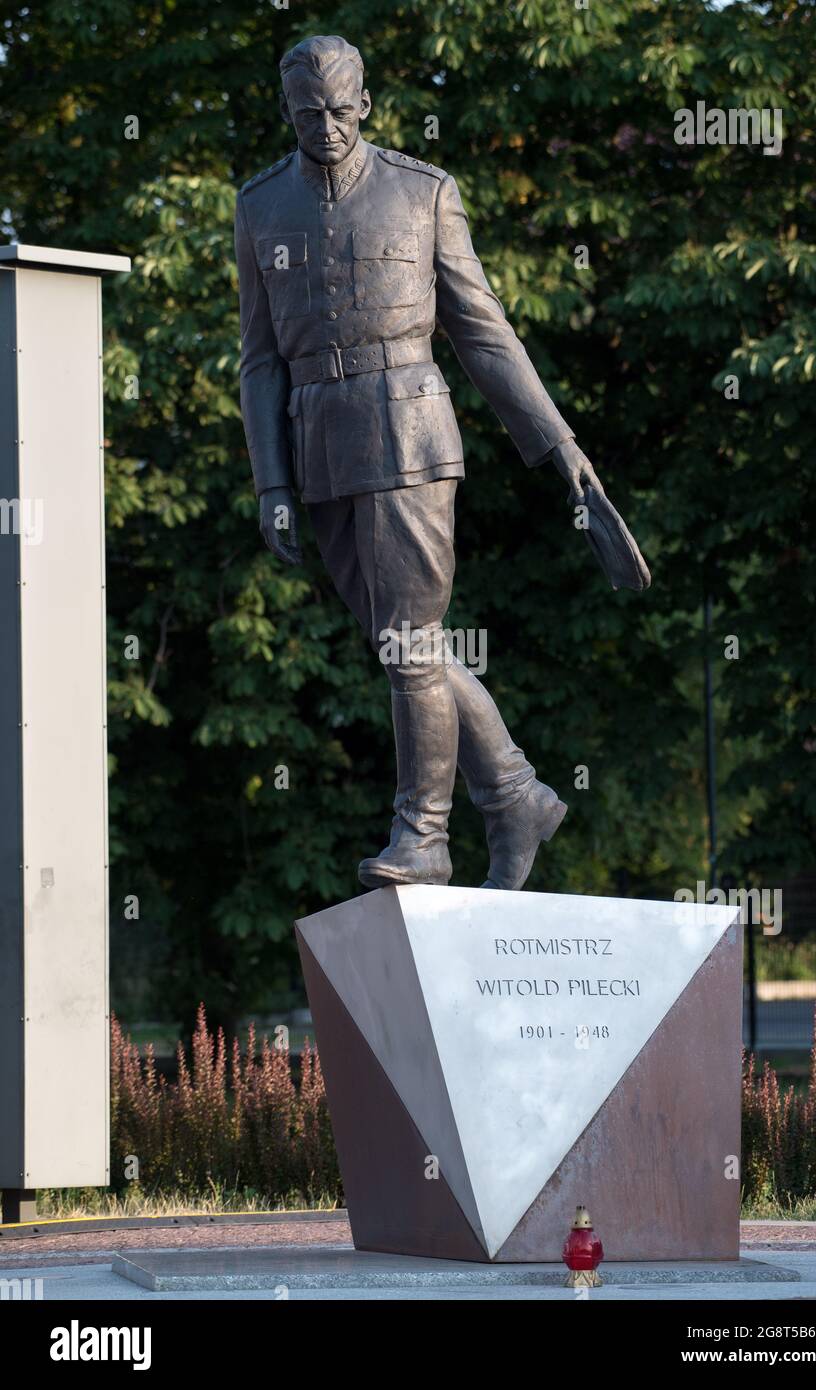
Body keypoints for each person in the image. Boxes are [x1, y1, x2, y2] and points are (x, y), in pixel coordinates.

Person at [235, 35, 604, 891]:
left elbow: (482, 331)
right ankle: (513, 793)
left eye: (339, 110)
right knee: (411, 646)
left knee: (409, 646)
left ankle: (423, 839)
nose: (325, 128)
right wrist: (272, 482)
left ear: (364, 104)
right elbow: (259, 360)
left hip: (409, 432)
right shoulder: (260, 206)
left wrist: (558, 441)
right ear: (285, 113)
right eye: (306, 114)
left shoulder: (423, 192)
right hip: (318, 443)